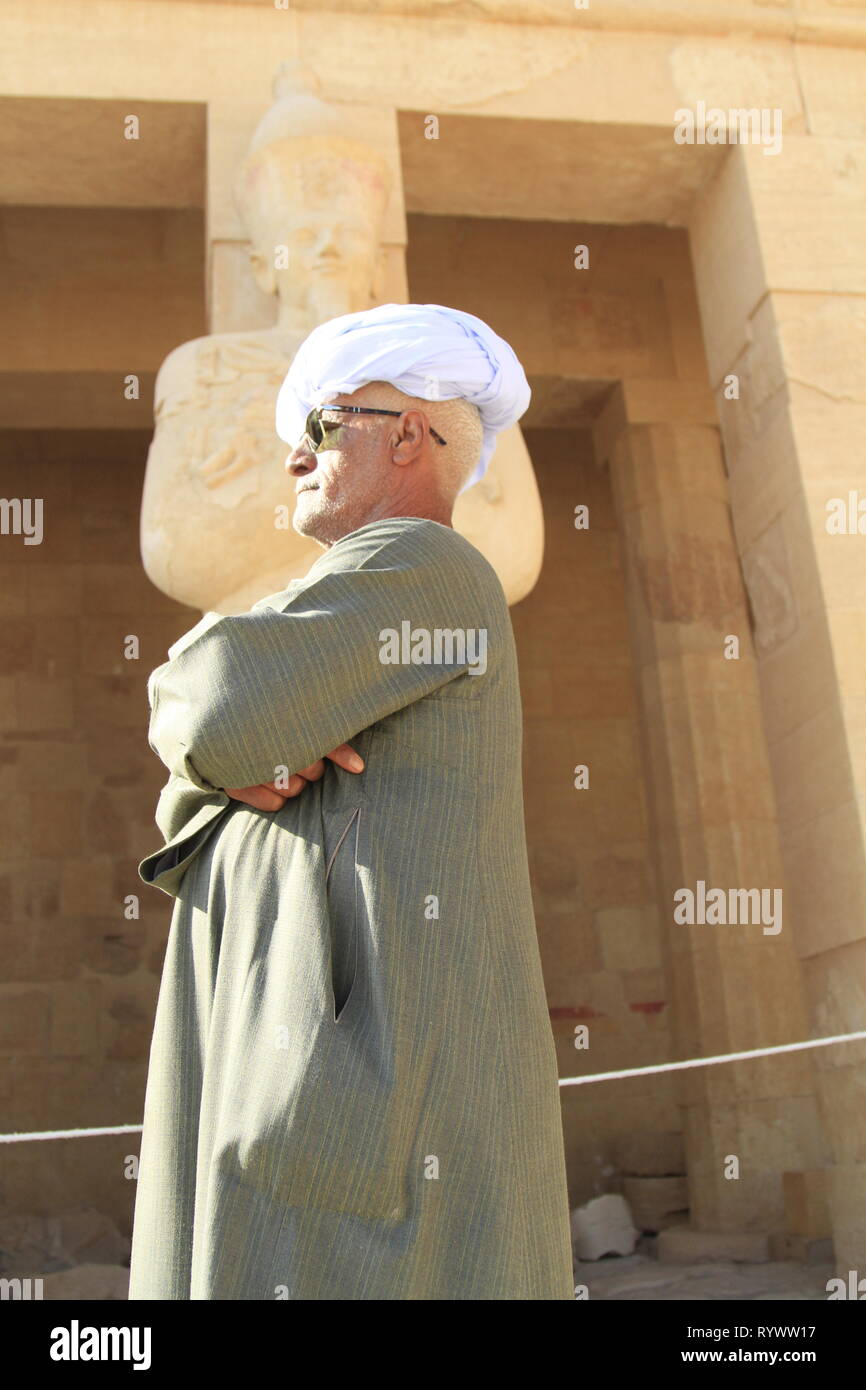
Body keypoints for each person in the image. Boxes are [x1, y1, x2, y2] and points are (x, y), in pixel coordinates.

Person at [128, 303, 574, 1300]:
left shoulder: (429, 570)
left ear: (408, 433)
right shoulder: (356, 596)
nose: (294, 458)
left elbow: (214, 702)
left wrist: (211, 733)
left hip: (357, 1144)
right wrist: (216, 757)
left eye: (319, 428)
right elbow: (209, 757)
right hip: (302, 1119)